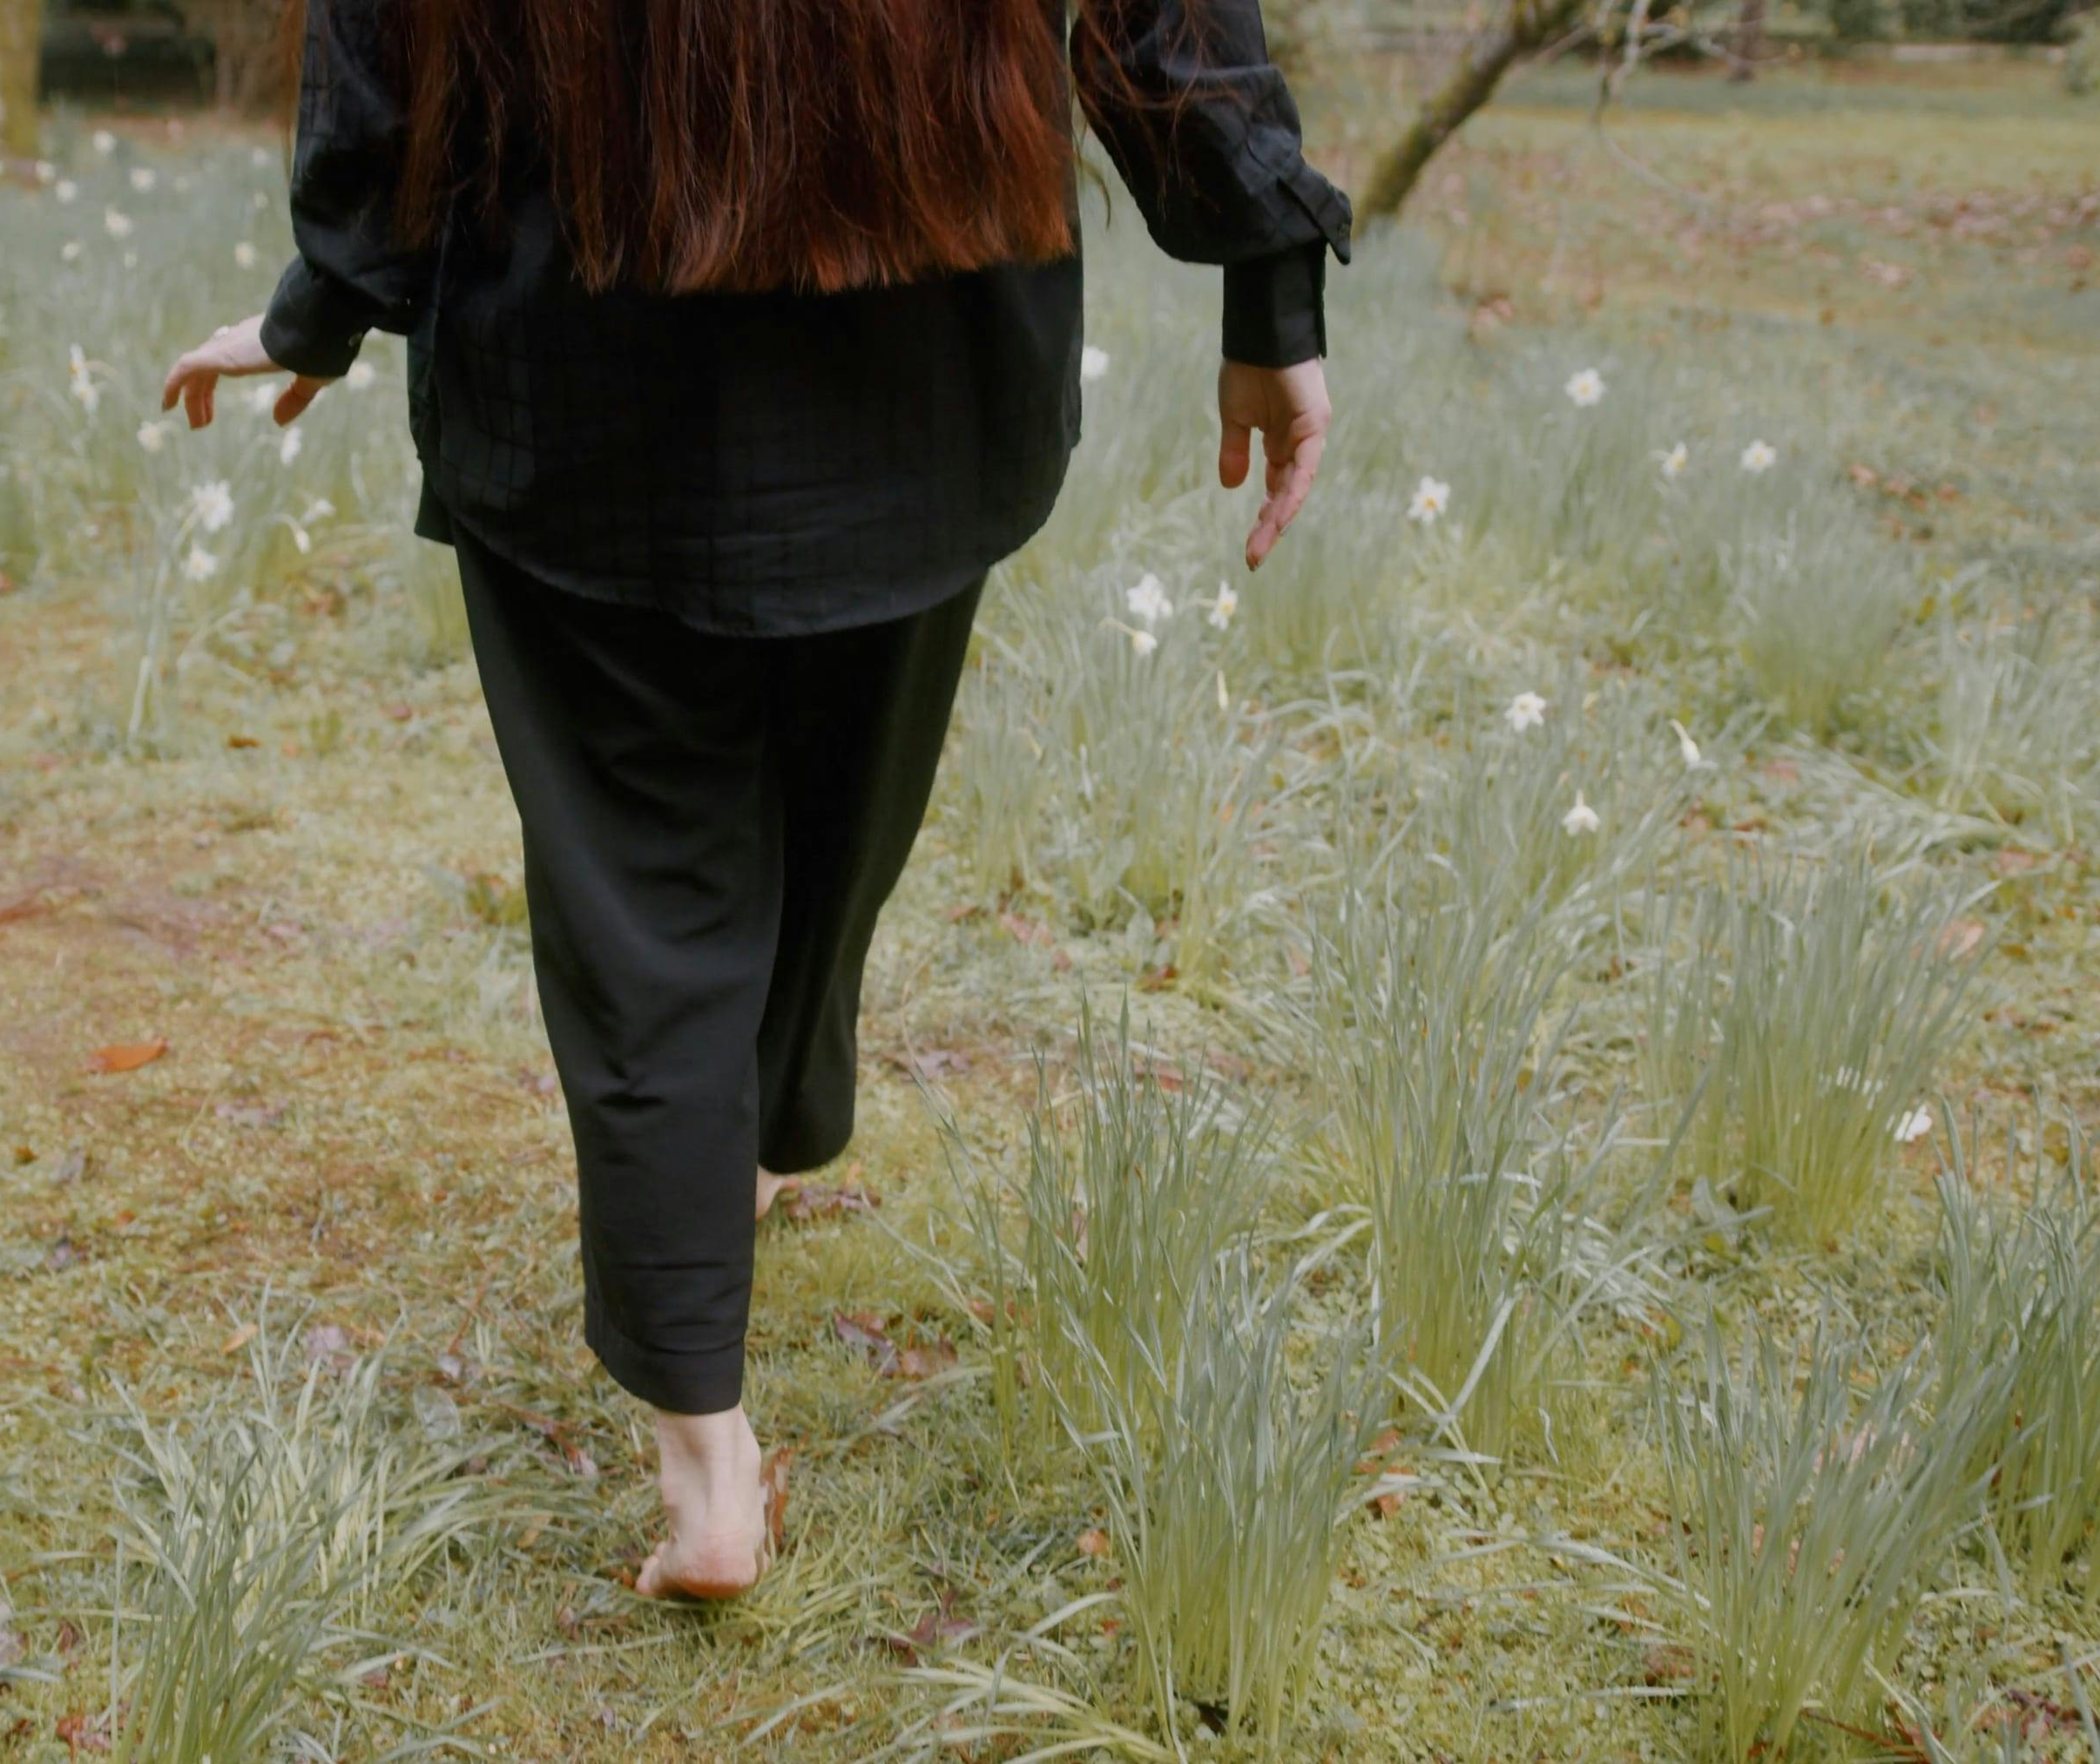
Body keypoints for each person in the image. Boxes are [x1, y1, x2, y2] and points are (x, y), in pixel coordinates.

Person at [164, 0, 1346, 1602]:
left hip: (579, 351)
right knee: (844, 804)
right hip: (922, 352)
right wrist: (1267, 288)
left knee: (649, 895)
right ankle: (765, 1131)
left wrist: (322, 302)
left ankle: (709, 1460)